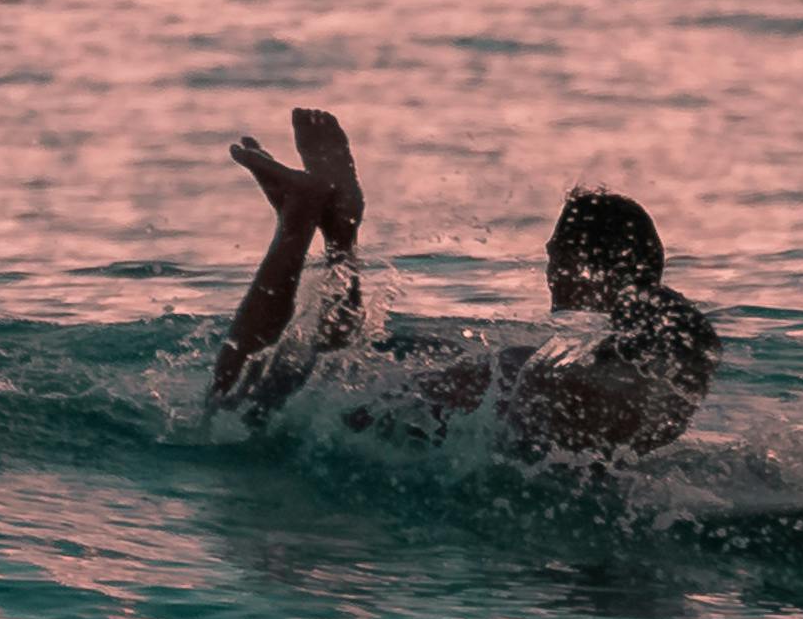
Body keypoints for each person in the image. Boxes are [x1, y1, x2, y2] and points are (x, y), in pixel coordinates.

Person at [205, 112, 718, 461]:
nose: (549, 273)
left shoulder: (551, 372)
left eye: (554, 258)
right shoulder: (683, 351)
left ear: (578, 266)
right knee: (308, 375)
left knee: (229, 409)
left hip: (412, 416)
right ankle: (329, 230)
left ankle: (317, 226)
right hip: (425, 414)